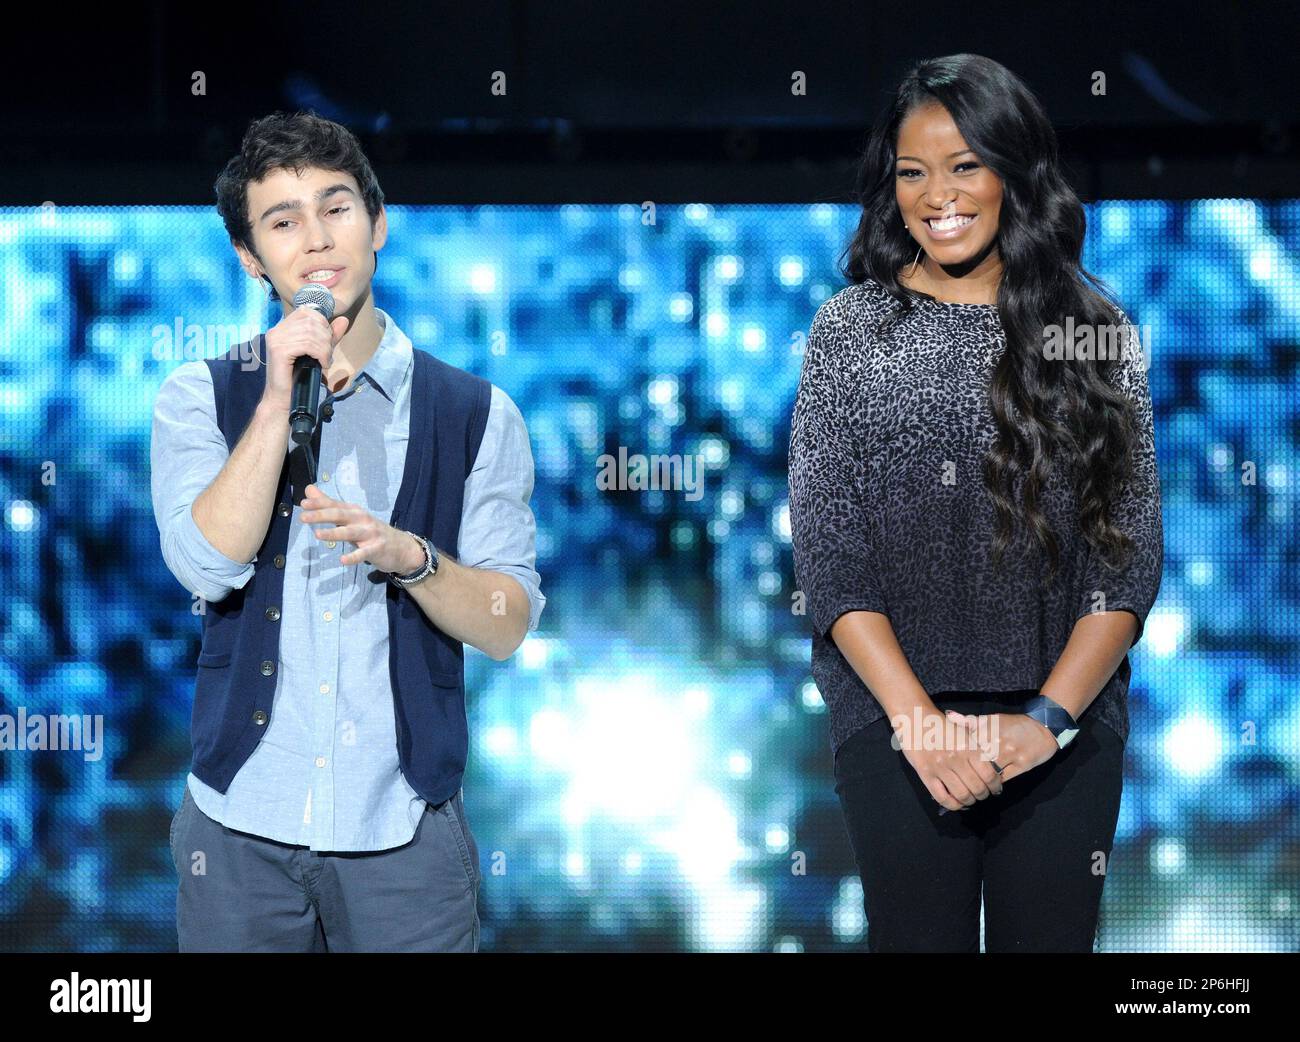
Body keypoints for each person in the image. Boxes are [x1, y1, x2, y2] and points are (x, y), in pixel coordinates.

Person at [787, 54, 1163, 952]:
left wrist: (1046, 724)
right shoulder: (850, 333)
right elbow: (832, 558)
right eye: (912, 172)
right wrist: (920, 726)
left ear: (1012, 174)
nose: (937, 195)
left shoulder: (1093, 333)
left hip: (1060, 728)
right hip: (893, 725)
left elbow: (1128, 560)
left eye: (964, 166)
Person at [150, 110, 545, 952]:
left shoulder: (476, 415)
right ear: (252, 260)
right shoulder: (200, 396)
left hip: (405, 830)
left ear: (378, 225)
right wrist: (273, 395)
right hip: (237, 828)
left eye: (336, 208)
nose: (317, 239)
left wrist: (415, 560)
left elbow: (508, 624)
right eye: (283, 221)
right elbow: (205, 565)